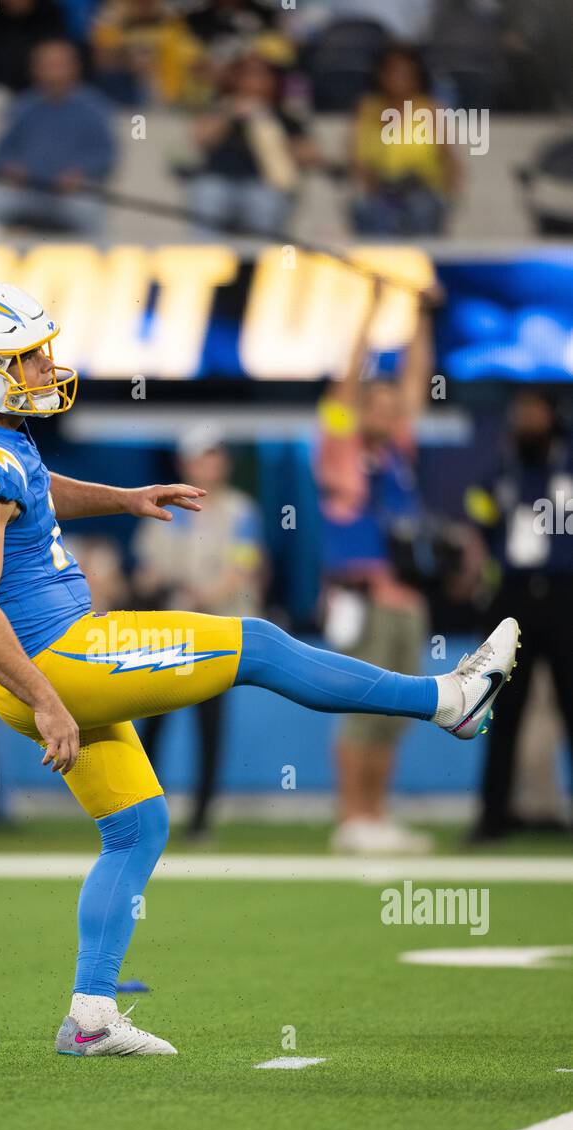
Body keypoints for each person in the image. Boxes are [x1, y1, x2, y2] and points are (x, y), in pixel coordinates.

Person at [0, 280, 519, 1057]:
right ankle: (448, 700)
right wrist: (52, 702)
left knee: (136, 828)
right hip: (56, 659)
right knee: (257, 644)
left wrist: (122, 499)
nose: (42, 367)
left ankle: (90, 1018)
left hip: (42, 661)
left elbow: (32, 488)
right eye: (23, 358)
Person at [316, 279, 438, 855]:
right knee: (364, 706)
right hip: (362, 596)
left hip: (404, 599)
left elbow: (415, 380)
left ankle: (378, 817)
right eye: (378, 405)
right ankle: (352, 817)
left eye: (394, 409)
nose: (389, 412)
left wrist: (419, 315)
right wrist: (368, 305)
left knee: (395, 711)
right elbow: (346, 383)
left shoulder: (397, 452)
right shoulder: (340, 446)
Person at [133, 427, 265, 838]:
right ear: (187, 463)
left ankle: (202, 819)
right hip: (171, 633)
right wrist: (162, 583)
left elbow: (243, 569)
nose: (212, 463)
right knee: (154, 721)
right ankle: (143, 810)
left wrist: (201, 593)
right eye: (203, 456)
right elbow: (146, 570)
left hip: (219, 631)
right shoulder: (166, 507)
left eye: (217, 455)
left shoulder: (242, 511)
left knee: (210, 723)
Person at [466, 389, 573, 842]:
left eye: (535, 412)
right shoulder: (501, 476)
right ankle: (493, 817)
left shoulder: (566, 472)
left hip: (565, 595)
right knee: (503, 708)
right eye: (520, 413)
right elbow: (478, 523)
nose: (526, 420)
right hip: (514, 599)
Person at [0, 40, 116, 236]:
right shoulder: (24, 105)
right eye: (46, 65)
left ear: (75, 67)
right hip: (24, 192)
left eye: (59, 65)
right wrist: (9, 167)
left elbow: (105, 154)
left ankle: (93, 263)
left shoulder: (94, 107)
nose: (53, 72)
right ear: (35, 69)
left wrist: (80, 173)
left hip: (69, 196)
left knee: (88, 210)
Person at [187, 52, 321, 237]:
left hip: (264, 184)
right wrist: (229, 113)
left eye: (261, 76)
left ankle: (257, 262)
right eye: (246, 75)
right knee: (209, 194)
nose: (253, 82)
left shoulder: (284, 116)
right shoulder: (220, 109)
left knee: (264, 202)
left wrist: (271, 127)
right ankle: (205, 261)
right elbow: (201, 138)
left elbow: (311, 155)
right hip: (220, 180)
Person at [348, 43, 459, 236]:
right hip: (381, 190)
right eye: (393, 72)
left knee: (421, 210)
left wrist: (447, 198)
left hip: (422, 190)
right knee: (369, 211)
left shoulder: (430, 109)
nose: (398, 78)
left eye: (405, 73)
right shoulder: (367, 109)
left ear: (416, 77)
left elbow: (449, 160)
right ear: (381, 75)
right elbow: (357, 157)